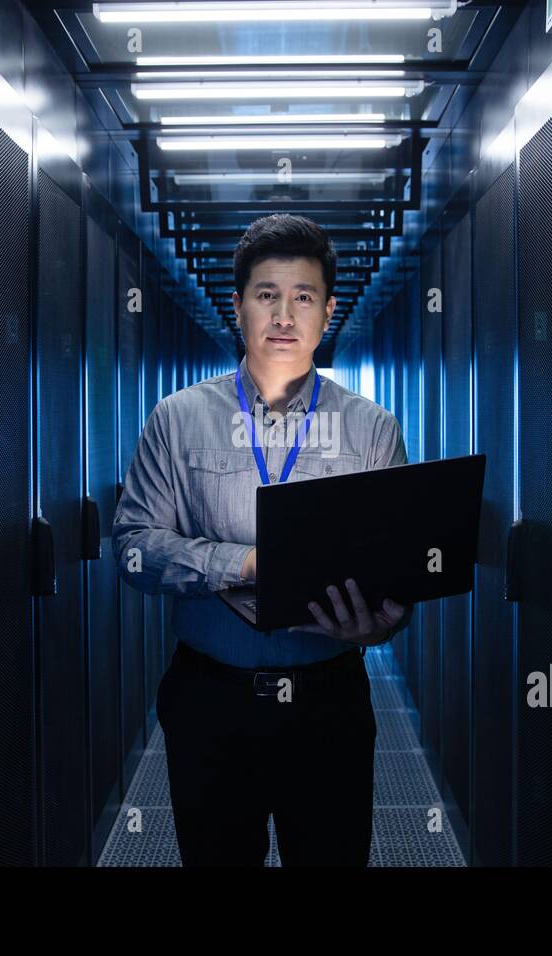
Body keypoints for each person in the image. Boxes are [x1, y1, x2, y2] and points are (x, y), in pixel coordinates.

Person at [112, 213, 410, 866]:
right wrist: (243, 561)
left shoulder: (373, 430)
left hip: (330, 702)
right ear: (238, 306)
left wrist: (384, 623)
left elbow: (398, 568)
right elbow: (133, 546)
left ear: (327, 312)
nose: (283, 314)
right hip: (210, 702)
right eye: (265, 294)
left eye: (302, 296)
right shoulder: (178, 418)